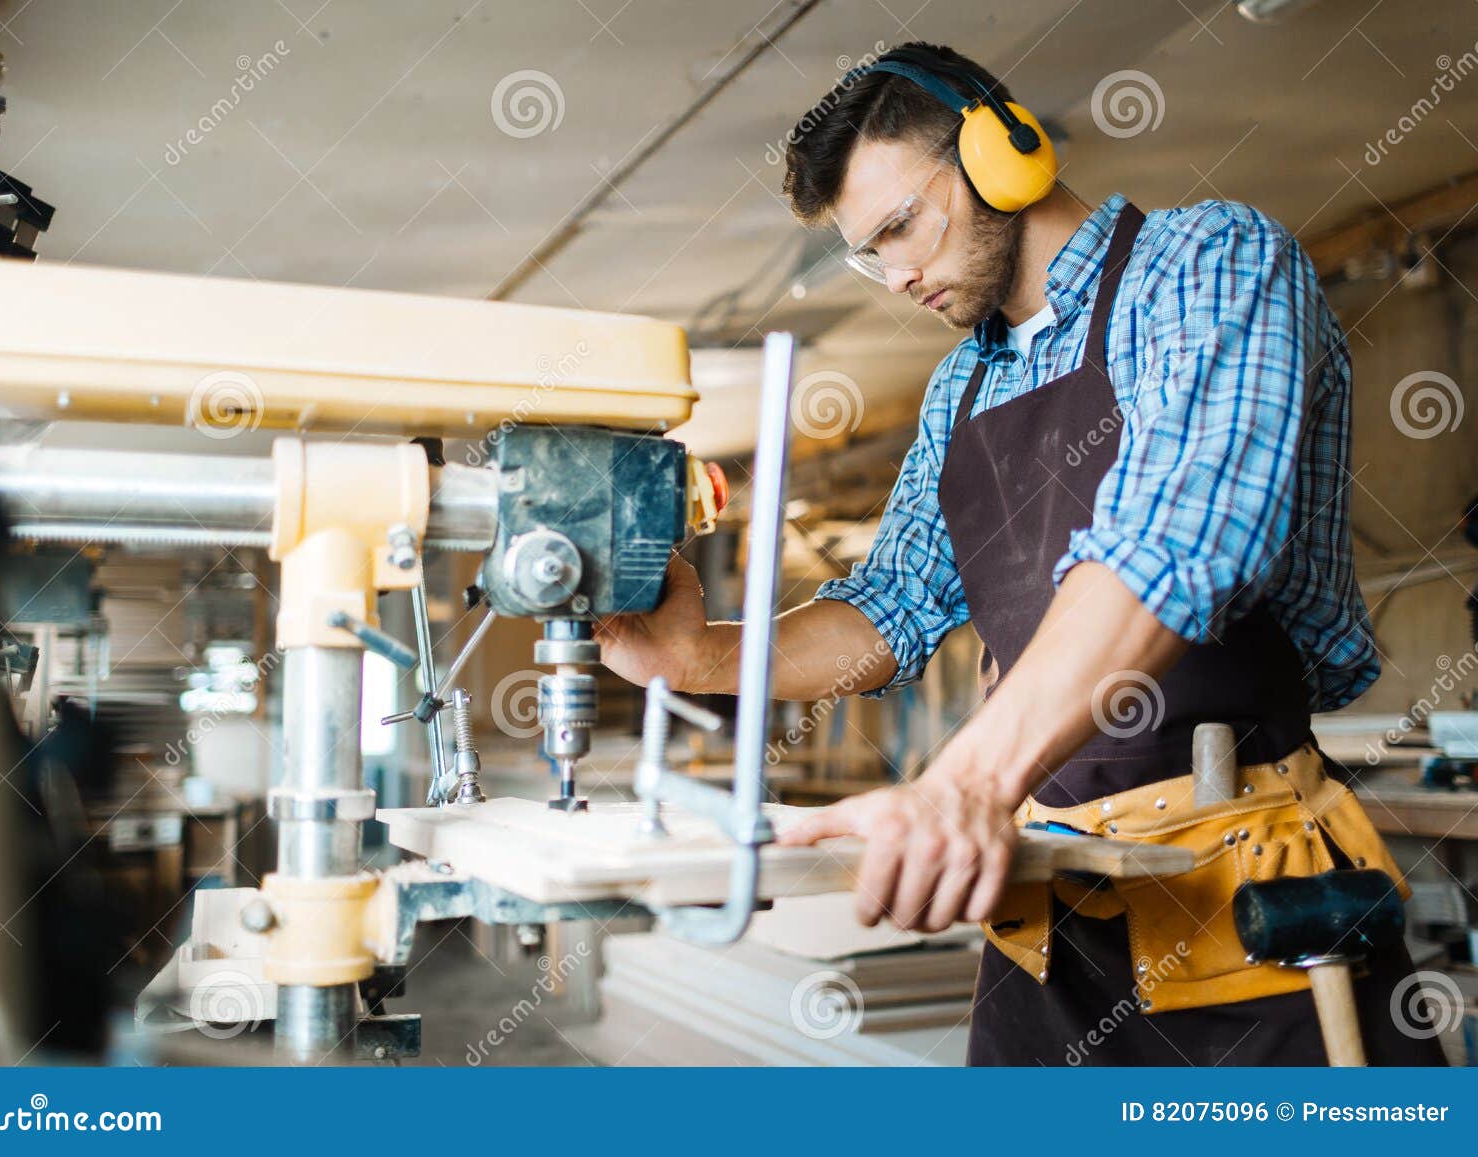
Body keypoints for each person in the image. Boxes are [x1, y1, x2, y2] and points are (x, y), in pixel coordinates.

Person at [596, 43, 1445, 1065]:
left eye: (900, 226)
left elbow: (1177, 541)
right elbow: (892, 605)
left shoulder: (1209, 263)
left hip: (1248, 901)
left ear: (1002, 151)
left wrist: (960, 783)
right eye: (867, 254)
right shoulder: (961, 387)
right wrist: (702, 657)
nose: (895, 274)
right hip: (1048, 914)